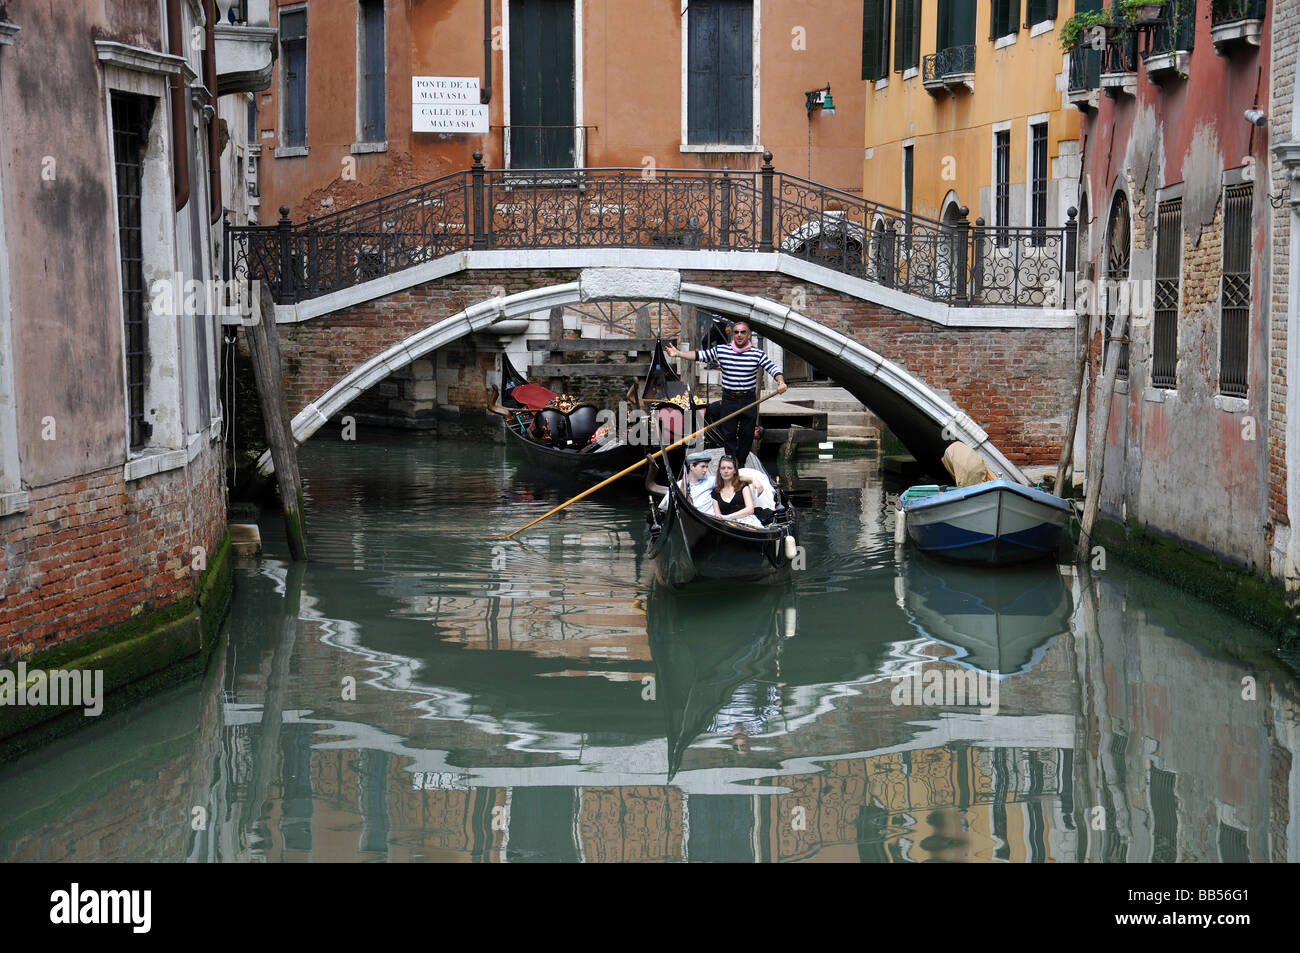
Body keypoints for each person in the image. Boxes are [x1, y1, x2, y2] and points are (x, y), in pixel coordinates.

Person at [666, 321, 786, 463]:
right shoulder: (722, 350)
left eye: (743, 332)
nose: (739, 335)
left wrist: (781, 382)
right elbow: (699, 355)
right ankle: (731, 463)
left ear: (748, 335)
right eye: (736, 332)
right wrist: (678, 353)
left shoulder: (757, 354)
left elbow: (773, 369)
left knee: (747, 435)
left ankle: (739, 463)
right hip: (729, 399)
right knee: (728, 434)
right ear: (732, 335)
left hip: (748, 400)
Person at [711, 455, 763, 528]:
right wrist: (725, 519)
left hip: (747, 522)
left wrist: (728, 517)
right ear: (719, 470)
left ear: (735, 470)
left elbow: (750, 509)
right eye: (723, 468)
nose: (726, 471)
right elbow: (718, 516)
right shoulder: (715, 492)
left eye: (729, 468)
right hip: (727, 525)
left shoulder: (743, 485)